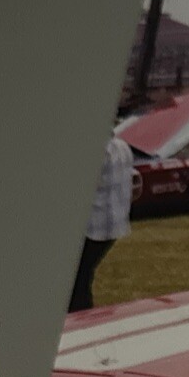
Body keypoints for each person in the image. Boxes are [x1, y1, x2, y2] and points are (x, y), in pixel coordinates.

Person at [68, 131, 135, 312]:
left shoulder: (95, 151)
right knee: (83, 274)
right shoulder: (122, 147)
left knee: (77, 279)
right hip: (115, 223)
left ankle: (81, 318)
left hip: (94, 225)